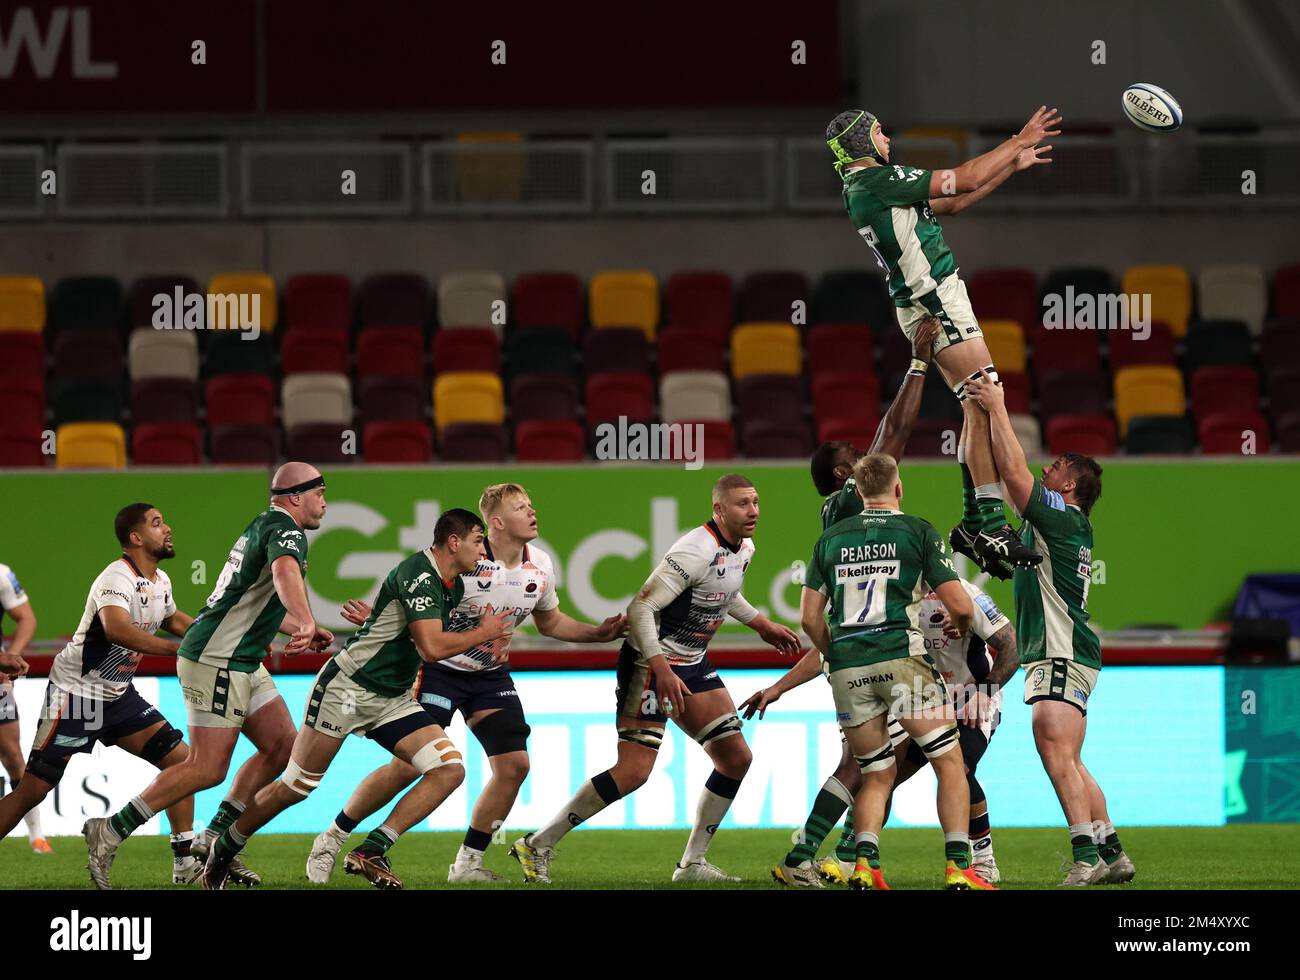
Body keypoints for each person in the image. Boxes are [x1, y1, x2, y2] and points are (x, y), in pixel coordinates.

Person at [306, 483, 626, 884]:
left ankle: (467, 863)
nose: (532, 512)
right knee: (409, 766)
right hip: (438, 670)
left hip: (489, 677)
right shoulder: (468, 562)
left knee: (514, 766)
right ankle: (335, 836)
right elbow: (419, 612)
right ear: (496, 523)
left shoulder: (540, 564)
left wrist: (598, 633)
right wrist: (382, 621)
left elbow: (551, 622)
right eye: (521, 507)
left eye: (531, 504)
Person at [511, 474, 801, 884]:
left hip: (693, 662)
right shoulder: (694, 549)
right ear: (719, 510)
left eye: (755, 502)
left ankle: (692, 865)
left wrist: (761, 624)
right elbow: (640, 609)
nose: (752, 511)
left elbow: (724, 591)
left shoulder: (744, 548)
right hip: (650, 663)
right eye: (742, 504)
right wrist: (661, 668)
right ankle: (537, 843)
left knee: (736, 757)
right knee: (634, 772)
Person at [202, 508, 506, 890]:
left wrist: (381, 617)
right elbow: (430, 647)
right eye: (479, 541)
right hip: (347, 687)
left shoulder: (452, 585)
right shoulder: (419, 574)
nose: (484, 551)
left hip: (392, 697)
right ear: (454, 541)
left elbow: (412, 633)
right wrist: (483, 632)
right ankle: (225, 846)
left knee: (449, 769)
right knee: (296, 786)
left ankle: (371, 850)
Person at [825, 105, 1061, 577]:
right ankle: (986, 522)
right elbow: (965, 177)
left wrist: (1010, 168)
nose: (887, 138)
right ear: (860, 144)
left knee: (979, 399)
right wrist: (1019, 140)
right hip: (934, 298)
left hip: (931, 297)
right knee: (983, 394)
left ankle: (980, 522)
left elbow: (952, 202)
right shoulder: (877, 181)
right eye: (878, 131)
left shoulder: (869, 187)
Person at [82, 463, 333, 889]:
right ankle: (111, 829)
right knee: (206, 767)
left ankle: (213, 836)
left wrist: (300, 627)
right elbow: (283, 573)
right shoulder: (287, 532)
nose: (325, 502)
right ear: (295, 496)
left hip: (241, 658)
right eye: (320, 492)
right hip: (217, 659)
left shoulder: (263, 527)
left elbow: (244, 602)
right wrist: (306, 618)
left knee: (283, 745)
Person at [965, 372, 1134, 886]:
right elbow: (1009, 473)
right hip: (1072, 650)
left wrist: (996, 406)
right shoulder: (1067, 523)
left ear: (1069, 487)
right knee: (1073, 759)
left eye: (1056, 467)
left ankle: (1084, 859)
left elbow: (1014, 473)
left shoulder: (1061, 515)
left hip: (1058, 652)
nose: (1046, 469)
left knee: (1054, 751)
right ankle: (1112, 854)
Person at [799, 452, 993, 890]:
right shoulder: (917, 531)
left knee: (876, 772)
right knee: (949, 761)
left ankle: (864, 864)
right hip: (902, 662)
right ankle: (959, 869)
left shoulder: (830, 539)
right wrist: (961, 626)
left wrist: (837, 655)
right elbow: (960, 605)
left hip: (849, 671)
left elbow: (810, 620)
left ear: (860, 491)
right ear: (898, 488)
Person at [746, 577, 1016, 886]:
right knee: (881, 776)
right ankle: (849, 857)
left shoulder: (964, 594)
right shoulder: (888, 600)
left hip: (970, 698)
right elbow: (825, 650)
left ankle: (982, 860)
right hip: (918, 699)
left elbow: (1011, 644)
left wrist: (985, 686)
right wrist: (778, 688)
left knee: (959, 768)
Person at [0, 506, 200, 883]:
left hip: (118, 696)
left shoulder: (161, 581)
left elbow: (173, 619)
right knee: (32, 790)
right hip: (76, 694)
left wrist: (209, 638)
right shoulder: (117, 577)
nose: (168, 528)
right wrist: (180, 650)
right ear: (136, 538)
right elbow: (116, 629)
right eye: (157, 523)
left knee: (183, 763)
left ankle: (185, 860)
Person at [0, 560, 46, 852]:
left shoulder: (1, 574)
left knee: (13, 754)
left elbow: (26, 617)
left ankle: (37, 836)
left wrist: (11, 657)